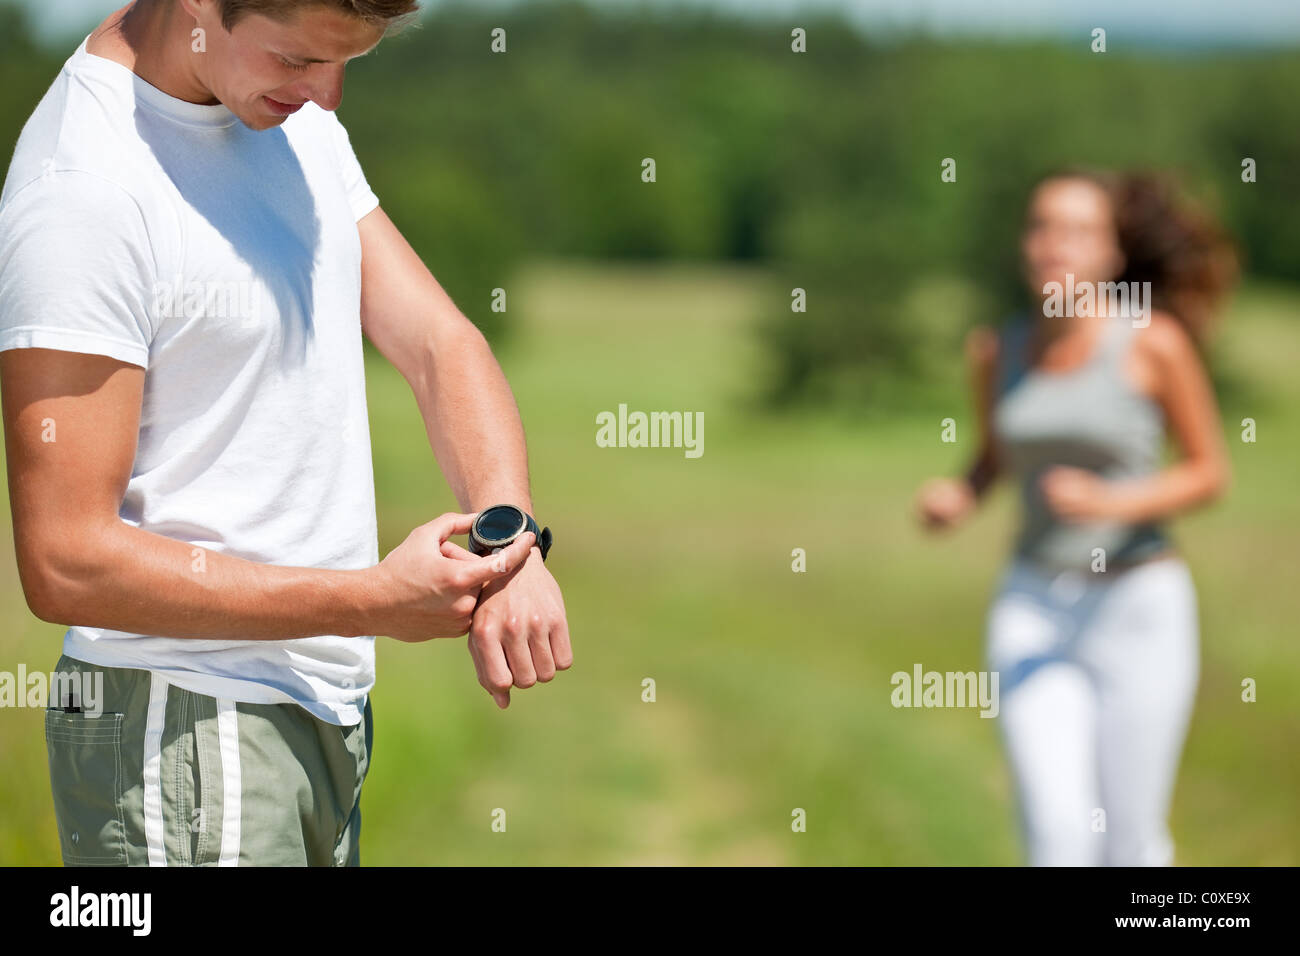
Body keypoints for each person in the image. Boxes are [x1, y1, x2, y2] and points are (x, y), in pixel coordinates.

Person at [0, 0, 571, 866]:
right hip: (182, 728)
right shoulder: (84, 190)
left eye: (348, 64)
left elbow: (437, 342)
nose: (329, 96)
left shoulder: (281, 111)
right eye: (301, 60)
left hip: (318, 718)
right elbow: (64, 559)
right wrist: (374, 600)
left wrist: (511, 534)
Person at [914, 168, 1236, 866]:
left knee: (1129, 842)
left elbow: (1211, 472)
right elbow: (994, 457)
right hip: (1033, 603)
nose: (1055, 244)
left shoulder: (1153, 342)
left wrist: (1111, 501)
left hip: (1139, 605)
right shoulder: (996, 349)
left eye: (1079, 230)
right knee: (1059, 837)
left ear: (1113, 255)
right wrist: (959, 496)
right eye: (1042, 226)